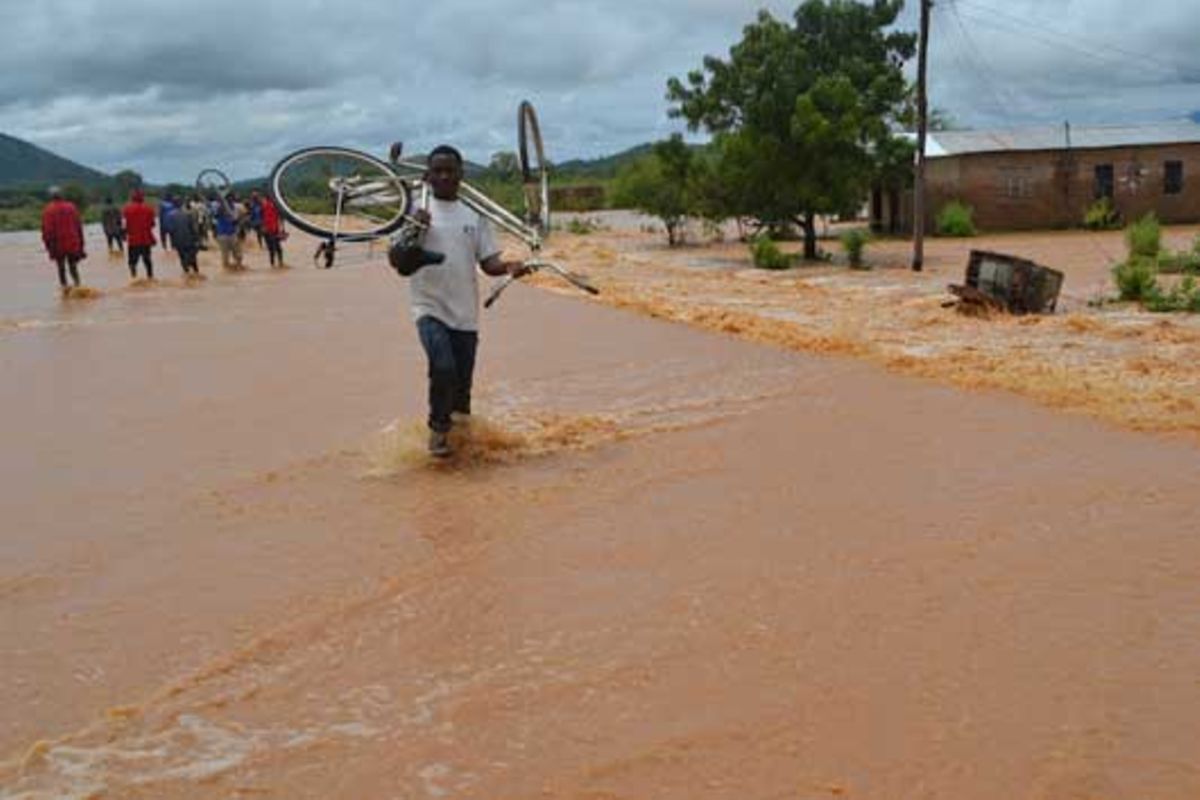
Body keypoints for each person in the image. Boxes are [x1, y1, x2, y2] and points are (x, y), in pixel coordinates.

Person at [400, 145, 528, 457]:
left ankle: (464, 448)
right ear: (428, 175)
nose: (444, 176)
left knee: (462, 388)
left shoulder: (475, 214)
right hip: (428, 308)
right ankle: (438, 432)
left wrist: (510, 266)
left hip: (466, 315)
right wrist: (415, 233)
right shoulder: (415, 210)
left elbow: (488, 263)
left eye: (450, 170)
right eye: (437, 171)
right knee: (442, 367)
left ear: (461, 174)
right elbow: (400, 264)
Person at [40, 186, 86, 291]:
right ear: (62, 195)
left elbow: (47, 230)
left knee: (61, 268)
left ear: (51, 197)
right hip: (72, 242)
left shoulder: (48, 210)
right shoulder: (72, 207)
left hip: (58, 244)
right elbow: (79, 226)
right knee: (73, 266)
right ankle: (78, 286)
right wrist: (81, 244)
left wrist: (48, 246)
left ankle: (65, 289)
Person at [122, 188, 157, 279]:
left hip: (133, 240)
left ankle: (134, 277)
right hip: (146, 239)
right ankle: (150, 277)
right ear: (142, 198)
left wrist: (124, 235)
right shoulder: (149, 209)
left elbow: (124, 226)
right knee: (147, 260)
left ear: (132, 198)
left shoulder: (127, 209)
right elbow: (153, 224)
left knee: (132, 262)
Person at [165, 203, 201, 276]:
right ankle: (196, 273)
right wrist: (197, 239)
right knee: (193, 258)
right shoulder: (188, 214)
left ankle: (186, 273)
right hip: (189, 240)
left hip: (178, 241)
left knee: (182, 257)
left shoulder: (170, 216)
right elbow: (193, 229)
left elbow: (169, 230)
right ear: (182, 205)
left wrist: (172, 243)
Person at [212, 193, 244, 270]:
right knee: (225, 256)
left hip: (233, 234)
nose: (230, 200)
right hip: (223, 234)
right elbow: (216, 215)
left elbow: (238, 220)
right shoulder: (219, 208)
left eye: (231, 199)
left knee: (238, 255)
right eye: (228, 199)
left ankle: (238, 267)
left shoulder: (235, 208)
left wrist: (237, 222)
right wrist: (222, 205)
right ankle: (227, 269)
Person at [260, 191, 285, 267]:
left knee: (273, 248)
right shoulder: (271, 206)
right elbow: (280, 218)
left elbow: (279, 218)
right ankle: (278, 263)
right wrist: (282, 228)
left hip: (271, 230)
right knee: (276, 248)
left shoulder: (267, 206)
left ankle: (273, 264)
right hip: (271, 230)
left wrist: (282, 228)